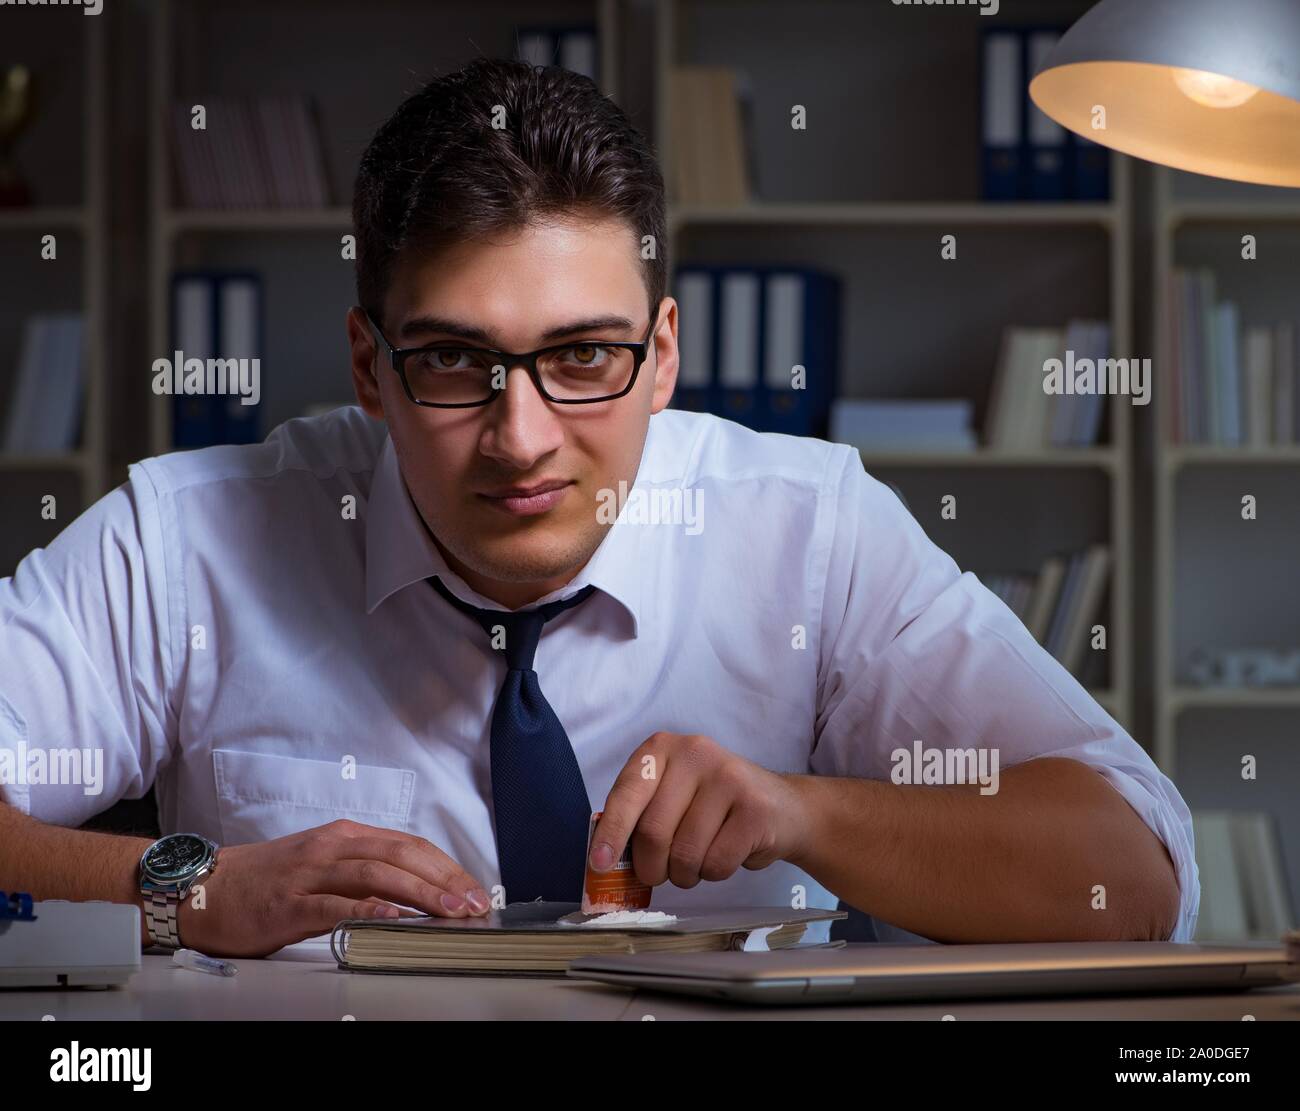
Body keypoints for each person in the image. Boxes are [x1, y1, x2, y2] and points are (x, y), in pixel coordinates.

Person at [0, 58, 1194, 958]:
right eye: (456, 362)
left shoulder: (808, 530)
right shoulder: (183, 539)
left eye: (582, 358)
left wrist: (809, 811)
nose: (522, 438)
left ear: (664, 355)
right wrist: (188, 889)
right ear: (369, 366)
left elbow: (1133, 875)